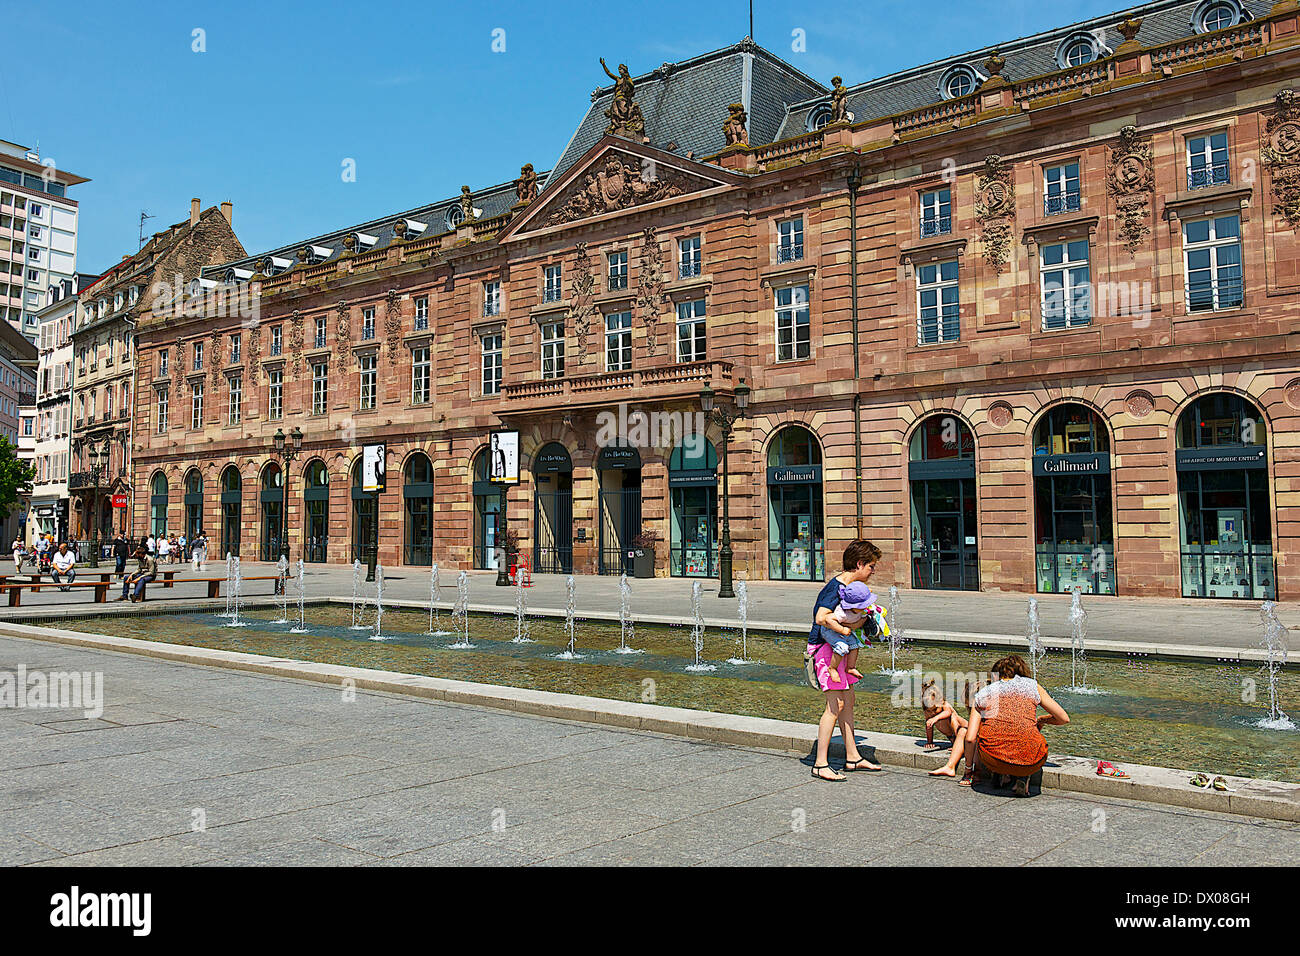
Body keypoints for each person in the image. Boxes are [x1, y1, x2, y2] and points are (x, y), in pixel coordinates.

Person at [807, 540, 884, 782]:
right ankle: (820, 764)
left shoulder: (852, 588)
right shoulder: (835, 587)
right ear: (859, 564)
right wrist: (843, 629)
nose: (873, 571)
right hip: (826, 651)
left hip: (837, 650)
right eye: (871, 566)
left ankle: (853, 756)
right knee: (835, 705)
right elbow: (821, 617)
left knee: (848, 701)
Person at [960, 654, 1070, 796]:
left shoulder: (984, 693)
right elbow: (1064, 718)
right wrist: (1042, 720)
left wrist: (968, 771)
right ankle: (1023, 777)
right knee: (1033, 737)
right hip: (1031, 762)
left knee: (987, 730)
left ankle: (1000, 773)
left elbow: (970, 738)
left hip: (992, 758)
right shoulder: (1032, 686)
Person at [824, 581, 876, 681]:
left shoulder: (862, 610)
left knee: (854, 646)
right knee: (843, 647)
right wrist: (842, 629)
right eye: (863, 605)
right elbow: (828, 620)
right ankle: (832, 668)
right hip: (830, 630)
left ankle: (850, 667)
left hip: (846, 630)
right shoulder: (842, 613)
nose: (866, 607)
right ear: (853, 606)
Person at [924, 679, 972, 778]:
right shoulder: (928, 710)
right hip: (952, 736)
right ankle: (955, 742)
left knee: (953, 717)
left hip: (963, 730)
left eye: (935, 708)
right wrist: (930, 742)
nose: (933, 711)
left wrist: (935, 718)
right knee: (930, 722)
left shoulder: (945, 705)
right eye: (930, 709)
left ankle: (956, 744)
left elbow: (948, 713)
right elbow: (928, 726)